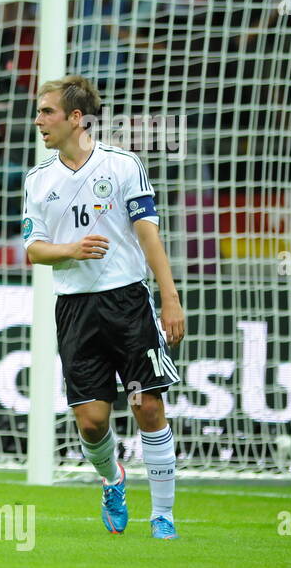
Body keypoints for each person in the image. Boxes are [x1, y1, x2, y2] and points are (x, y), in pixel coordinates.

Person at [23, 76, 185, 539]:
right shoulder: (39, 180)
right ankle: (112, 479)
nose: (39, 121)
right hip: (75, 308)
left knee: (147, 406)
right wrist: (71, 249)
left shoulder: (122, 165)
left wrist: (169, 298)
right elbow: (33, 250)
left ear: (76, 117)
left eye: (47, 112)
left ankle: (163, 514)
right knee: (92, 422)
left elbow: (148, 234)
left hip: (128, 301)